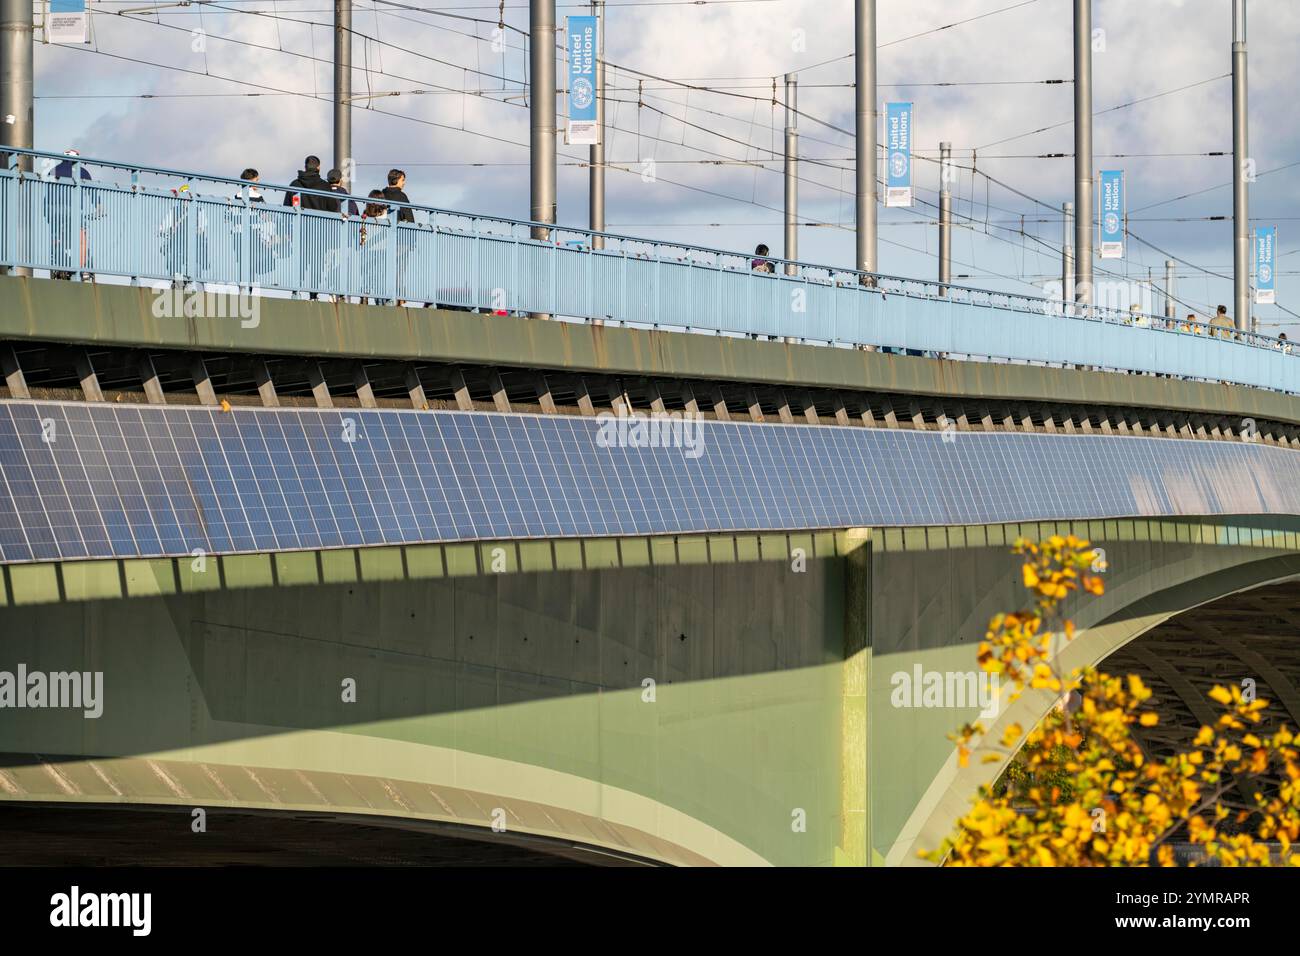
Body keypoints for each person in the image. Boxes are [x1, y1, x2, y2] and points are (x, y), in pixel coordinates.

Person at [45, 148, 95, 281]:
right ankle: (82, 269)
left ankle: (61, 264)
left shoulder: (54, 170)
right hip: (72, 210)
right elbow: (93, 192)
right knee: (81, 237)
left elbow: (47, 195)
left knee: (56, 239)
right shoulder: (81, 171)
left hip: (53, 210)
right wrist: (99, 207)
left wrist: (47, 214)